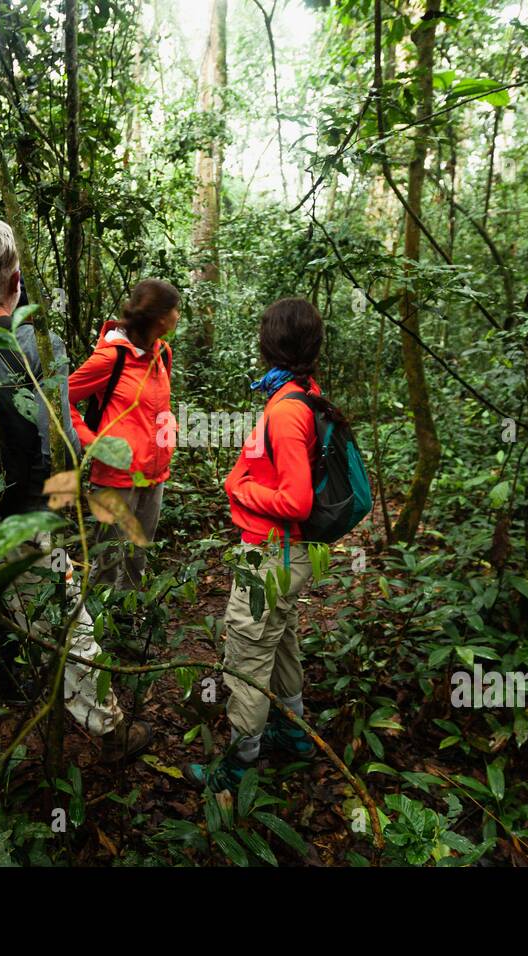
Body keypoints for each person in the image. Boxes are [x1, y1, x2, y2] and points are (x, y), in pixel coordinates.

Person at [0, 214, 151, 763]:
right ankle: (106, 730)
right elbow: (60, 440)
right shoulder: (36, 343)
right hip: (22, 519)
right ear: (16, 280)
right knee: (68, 626)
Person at [187, 298, 331, 792]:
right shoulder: (304, 391)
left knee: (247, 654)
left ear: (270, 343)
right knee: (281, 641)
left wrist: (238, 488)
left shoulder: (287, 411)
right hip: (291, 556)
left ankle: (239, 762)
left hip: (273, 553)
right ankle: (294, 737)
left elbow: (295, 499)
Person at [68, 279, 179, 590]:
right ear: (160, 318)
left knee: (137, 554)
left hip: (154, 474)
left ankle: (128, 621)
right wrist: (93, 443)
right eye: (175, 310)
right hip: (115, 477)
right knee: (108, 560)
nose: (178, 316)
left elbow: (157, 407)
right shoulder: (111, 358)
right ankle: (99, 626)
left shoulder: (163, 354)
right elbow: (62, 397)